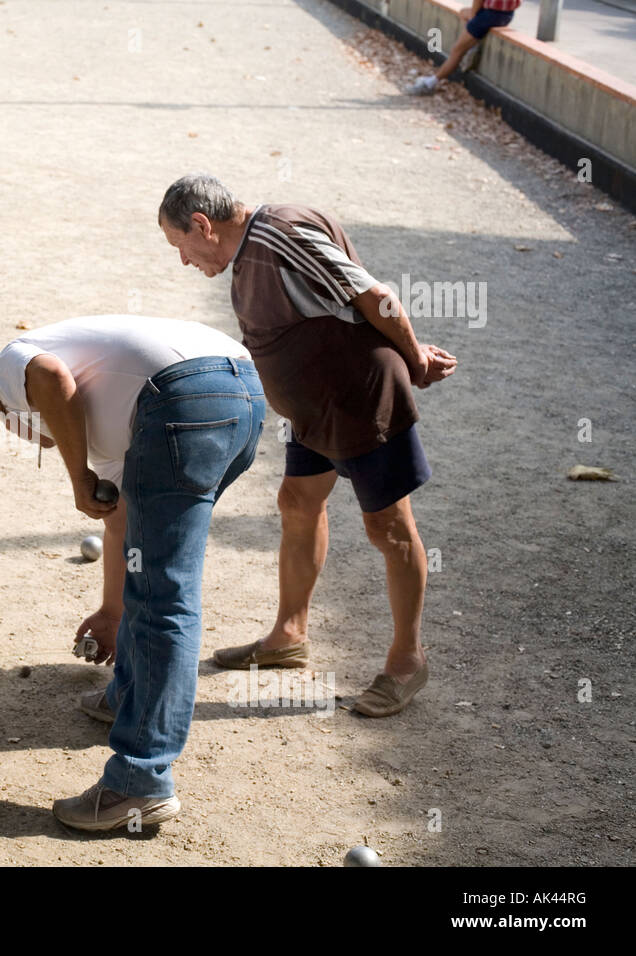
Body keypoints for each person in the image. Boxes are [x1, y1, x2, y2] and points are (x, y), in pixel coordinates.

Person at [158, 173, 458, 718]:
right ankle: (288, 636)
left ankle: (407, 661)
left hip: (360, 400)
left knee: (387, 527)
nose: (183, 261)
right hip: (316, 409)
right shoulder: (253, 248)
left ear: (202, 225)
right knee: (297, 503)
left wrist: (414, 360)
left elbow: (377, 297)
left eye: (180, 246)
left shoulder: (280, 238)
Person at [0, 315, 264, 831]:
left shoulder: (11, 368)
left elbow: (49, 378)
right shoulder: (113, 412)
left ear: (12, 413)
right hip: (242, 395)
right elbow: (121, 524)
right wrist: (111, 611)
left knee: (166, 595)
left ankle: (140, 781)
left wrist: (77, 479)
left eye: (30, 435)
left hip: (183, 401)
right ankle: (127, 697)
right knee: (155, 570)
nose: (41, 444)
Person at [406, 0, 521, 95]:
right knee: (463, 12)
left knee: (457, 51)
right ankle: (472, 44)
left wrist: (473, 19)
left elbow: (478, 2)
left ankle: (430, 83)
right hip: (507, 15)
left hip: (488, 16)